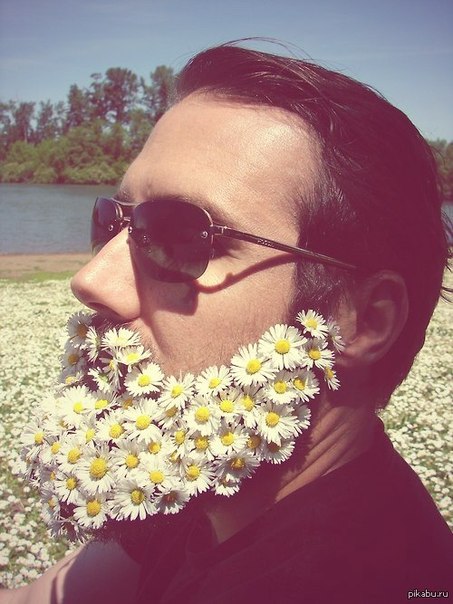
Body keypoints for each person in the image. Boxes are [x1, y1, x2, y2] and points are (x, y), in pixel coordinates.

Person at [2, 42, 452, 604]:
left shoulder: (365, 581)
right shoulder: (197, 476)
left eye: (181, 235)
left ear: (361, 322)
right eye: (112, 221)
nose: (91, 280)